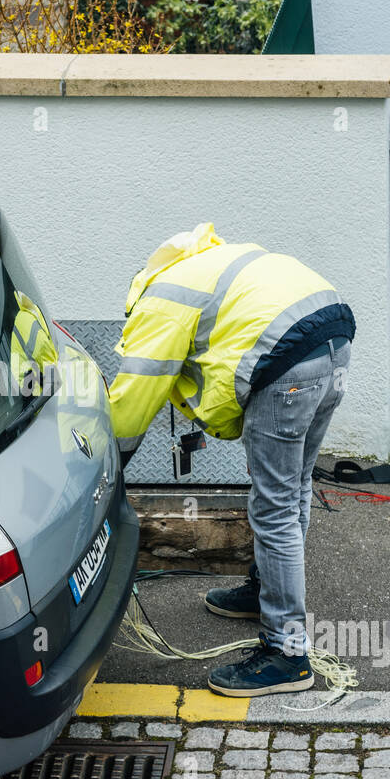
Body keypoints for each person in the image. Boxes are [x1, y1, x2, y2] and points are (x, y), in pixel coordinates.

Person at [107, 222, 354, 697]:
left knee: (275, 506)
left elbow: (131, 403)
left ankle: (286, 654)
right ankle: (265, 594)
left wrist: (108, 468)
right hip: (335, 338)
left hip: (289, 363)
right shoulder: (208, 265)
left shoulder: (162, 303)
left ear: (137, 293)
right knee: (296, 485)